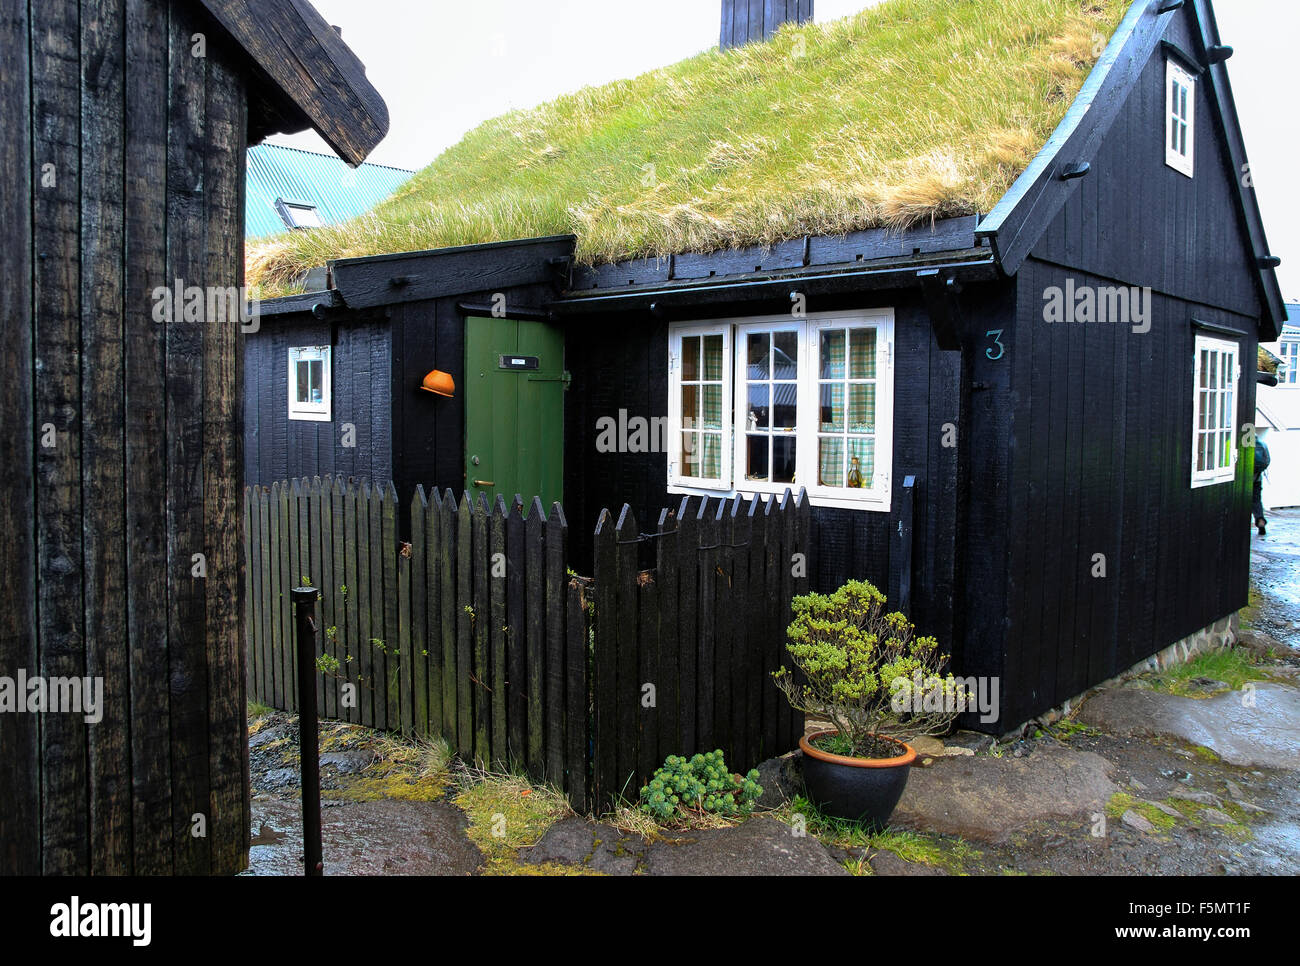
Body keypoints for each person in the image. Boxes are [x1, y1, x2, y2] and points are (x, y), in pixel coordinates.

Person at [1253, 437, 1271, 536]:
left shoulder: (1242, 443)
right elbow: (1267, 460)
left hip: (1243, 478)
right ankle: (1260, 520)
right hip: (1257, 478)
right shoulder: (1262, 444)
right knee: (1256, 501)